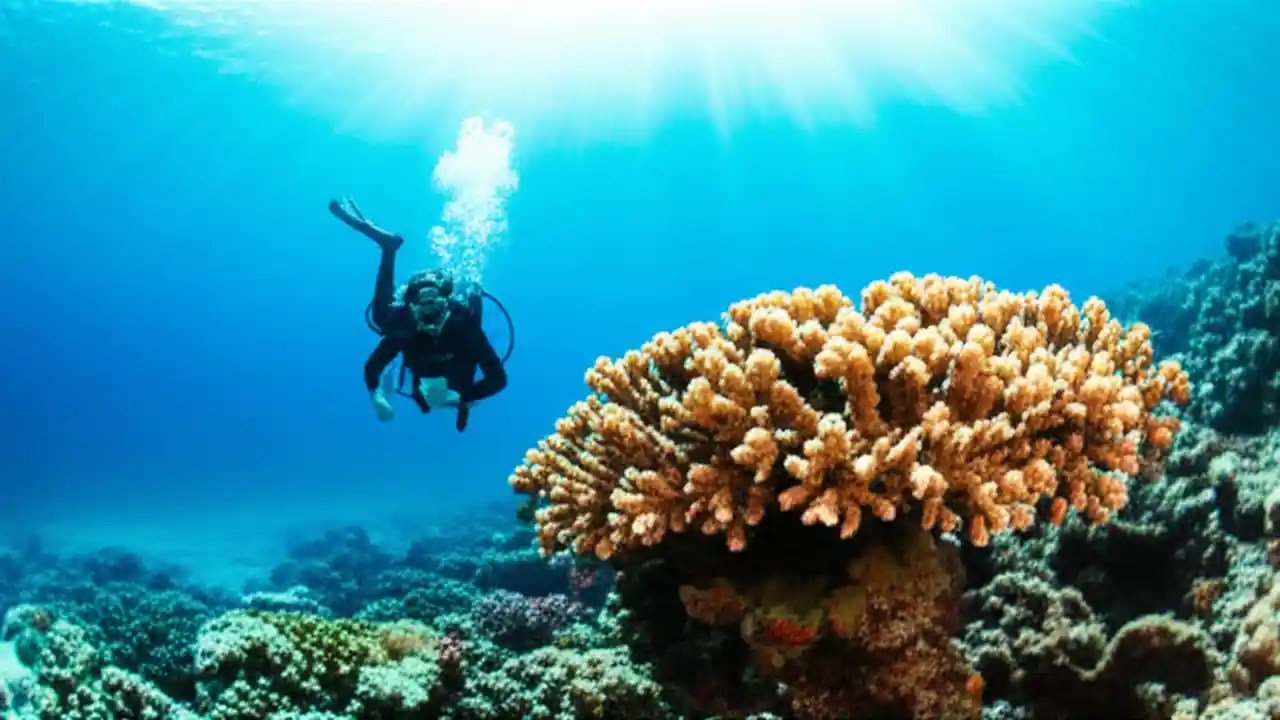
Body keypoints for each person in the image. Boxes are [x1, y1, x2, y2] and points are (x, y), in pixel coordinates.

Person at [329, 197, 508, 432]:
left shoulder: (461, 323)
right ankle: (388, 249)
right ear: (413, 306)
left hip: (455, 376)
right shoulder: (408, 324)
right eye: (423, 312)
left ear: (445, 305)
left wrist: (465, 396)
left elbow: (497, 379)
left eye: (433, 312)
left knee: (383, 318)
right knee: (383, 318)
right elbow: (372, 367)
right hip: (444, 370)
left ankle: (388, 249)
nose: (429, 322)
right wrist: (376, 396)